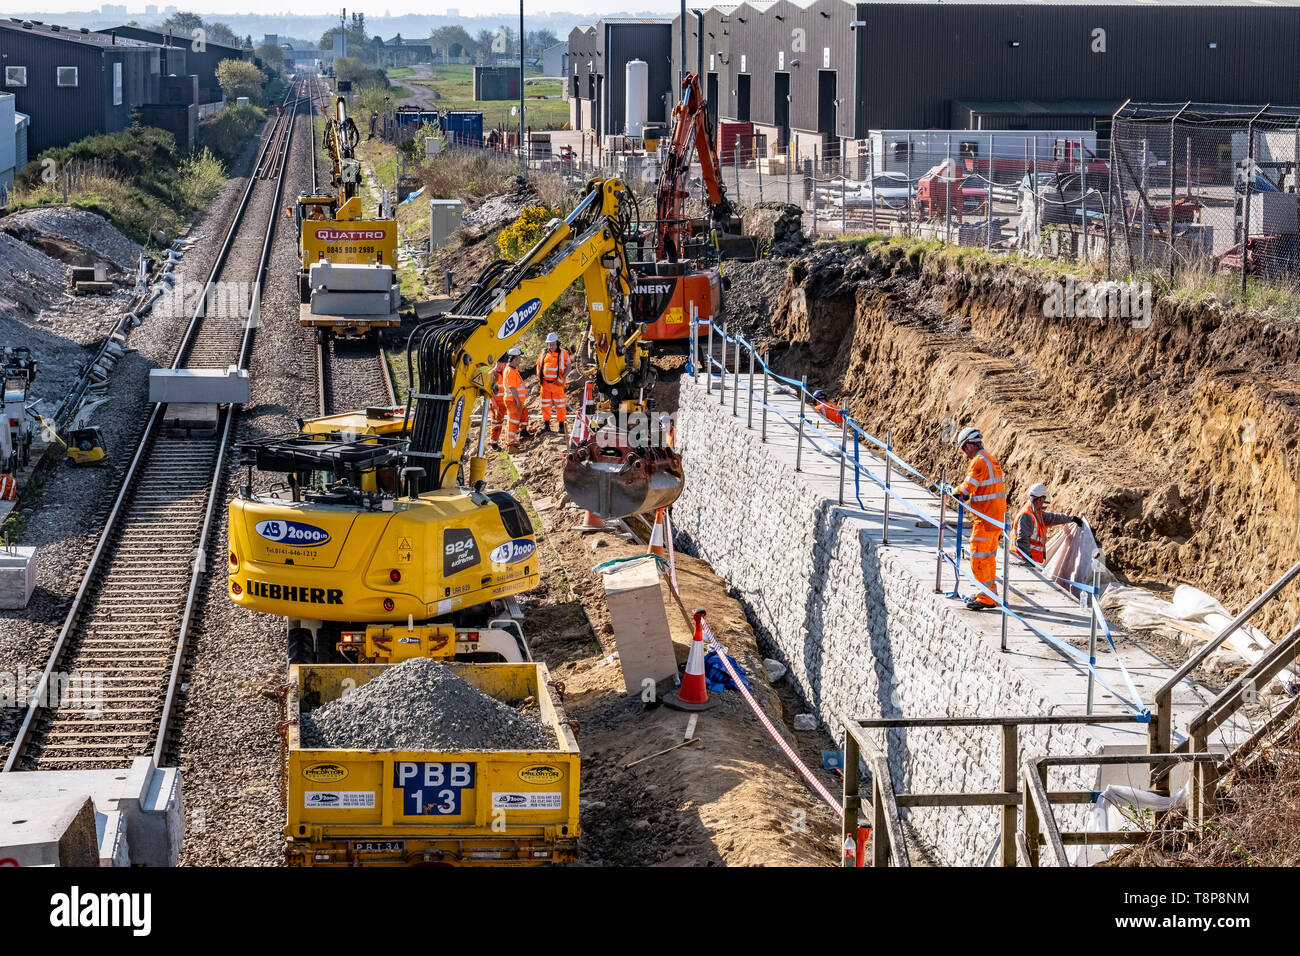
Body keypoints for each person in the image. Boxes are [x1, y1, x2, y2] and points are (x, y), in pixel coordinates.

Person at [954, 426, 1006, 611]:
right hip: (996, 517)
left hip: (984, 519)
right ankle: (990, 594)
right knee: (989, 558)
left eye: (963, 449)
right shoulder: (991, 459)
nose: (965, 454)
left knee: (977, 558)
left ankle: (986, 598)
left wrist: (953, 491)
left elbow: (967, 489)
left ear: (968, 445)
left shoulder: (978, 462)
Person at [1015, 483, 1083, 566]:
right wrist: (1028, 559)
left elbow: (1053, 518)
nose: (1044, 503)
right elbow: (1022, 540)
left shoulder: (1036, 512)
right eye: (1043, 499)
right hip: (1021, 559)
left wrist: (1071, 518)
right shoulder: (1027, 515)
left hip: (1029, 559)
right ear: (1039, 499)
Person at [535, 332, 572, 433]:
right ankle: (546, 426)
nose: (551, 346)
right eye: (549, 344)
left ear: (557, 342)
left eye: (552, 344)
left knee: (560, 406)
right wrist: (539, 376)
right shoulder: (543, 352)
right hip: (545, 385)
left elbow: (569, 366)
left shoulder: (564, 353)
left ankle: (561, 427)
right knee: (545, 406)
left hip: (557, 385)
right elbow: (538, 365)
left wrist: (563, 378)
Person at [501, 348, 529, 449]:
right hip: (512, 401)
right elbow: (513, 388)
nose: (520, 360)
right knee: (513, 422)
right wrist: (517, 401)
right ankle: (510, 444)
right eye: (519, 358)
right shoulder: (510, 371)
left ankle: (515, 438)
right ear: (514, 358)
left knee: (517, 418)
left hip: (514, 400)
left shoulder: (512, 370)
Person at [488, 355, 508, 450]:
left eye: (503, 363)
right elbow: (489, 390)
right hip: (495, 403)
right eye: (500, 363)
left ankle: (496, 441)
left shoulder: (505, 372)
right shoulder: (492, 374)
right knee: (495, 423)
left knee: (500, 423)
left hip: (503, 403)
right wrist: (493, 402)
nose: (502, 365)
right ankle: (493, 442)